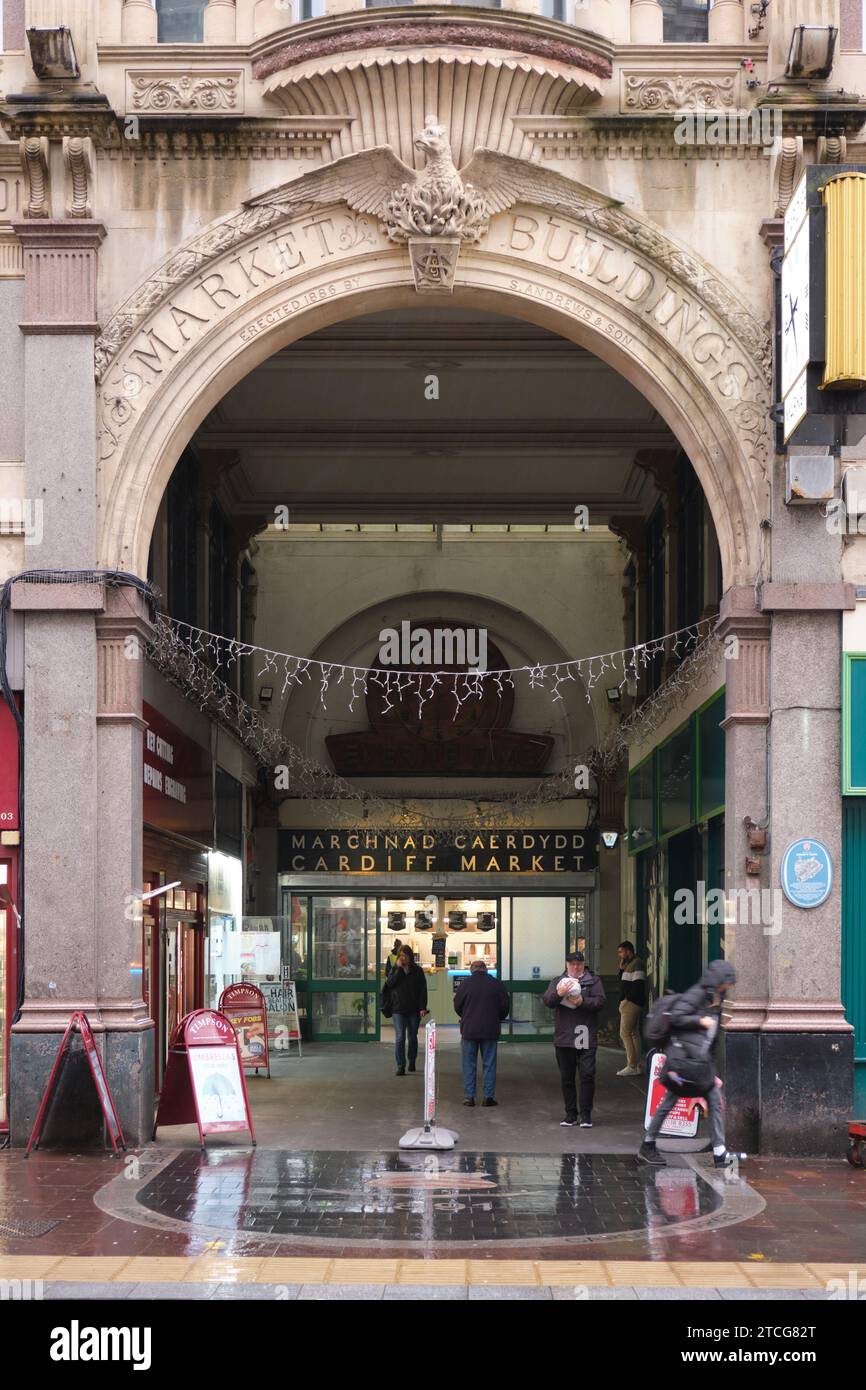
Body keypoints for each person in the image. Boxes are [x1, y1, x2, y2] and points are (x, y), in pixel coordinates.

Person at [638, 959, 740, 1168]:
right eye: (728, 982)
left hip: (698, 1063)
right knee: (669, 1103)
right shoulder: (697, 994)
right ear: (719, 980)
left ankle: (719, 1151)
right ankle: (647, 1145)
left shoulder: (715, 998)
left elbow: (710, 1039)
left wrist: (712, 1067)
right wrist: (699, 1021)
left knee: (711, 1099)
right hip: (684, 1062)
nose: (729, 986)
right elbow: (676, 1017)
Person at [543, 951, 606, 1129]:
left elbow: (600, 1002)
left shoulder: (593, 981)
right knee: (567, 1077)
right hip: (564, 1036)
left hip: (585, 1034)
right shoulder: (558, 981)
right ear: (566, 965)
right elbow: (547, 1000)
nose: (575, 967)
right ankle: (570, 1114)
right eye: (572, 964)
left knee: (587, 1075)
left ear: (583, 964)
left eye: (579, 964)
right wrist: (559, 994)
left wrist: (582, 1002)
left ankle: (586, 1115)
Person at [453, 959, 511, 1107]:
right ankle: (488, 1097)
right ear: (485, 969)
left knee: (468, 1064)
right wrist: (497, 1017)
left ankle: (469, 1097)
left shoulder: (465, 984)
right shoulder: (496, 984)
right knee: (489, 1064)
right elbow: (505, 1006)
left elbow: (457, 1005)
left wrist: (465, 1016)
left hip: (469, 1030)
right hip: (490, 1029)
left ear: (471, 970)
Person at [384, 946, 428, 1076]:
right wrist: (397, 968)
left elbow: (422, 990)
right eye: (401, 955)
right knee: (400, 1037)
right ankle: (400, 1065)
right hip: (398, 1009)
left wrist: (422, 1007)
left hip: (414, 1009)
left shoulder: (417, 971)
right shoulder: (394, 969)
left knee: (412, 1036)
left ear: (410, 957)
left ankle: (412, 1060)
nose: (403, 958)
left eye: (405, 955)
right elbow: (390, 984)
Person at [616, 940, 647, 1076]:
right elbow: (623, 982)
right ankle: (638, 1064)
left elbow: (638, 985)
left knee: (625, 1033)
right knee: (634, 1034)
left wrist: (627, 999)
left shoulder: (637, 963)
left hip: (631, 1003)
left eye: (621, 952)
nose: (620, 955)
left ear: (628, 950)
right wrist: (621, 969)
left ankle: (631, 1065)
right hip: (632, 1002)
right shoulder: (630, 964)